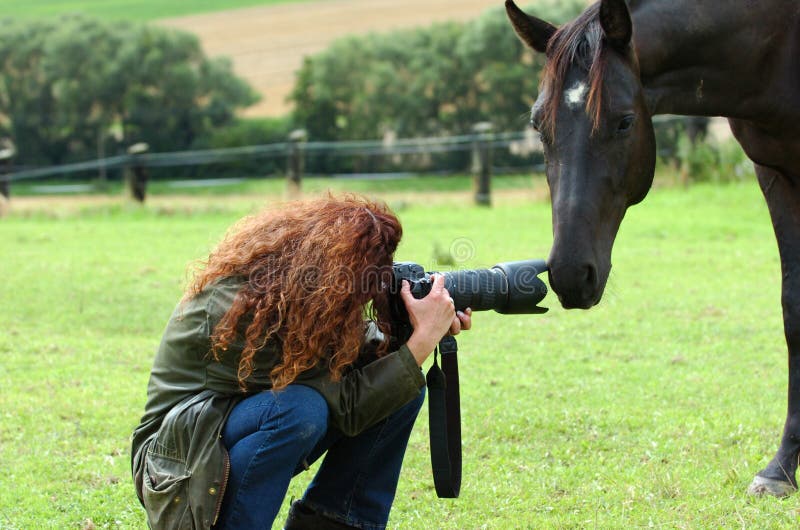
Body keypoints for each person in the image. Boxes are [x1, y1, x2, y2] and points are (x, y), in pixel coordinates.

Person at [130, 194, 472, 530]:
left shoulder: (292, 292)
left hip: (227, 429)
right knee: (298, 409)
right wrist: (423, 339)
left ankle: (337, 522)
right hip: (178, 463)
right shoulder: (242, 313)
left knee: (399, 386)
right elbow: (348, 404)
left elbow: (355, 359)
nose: (375, 287)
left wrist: (407, 330)